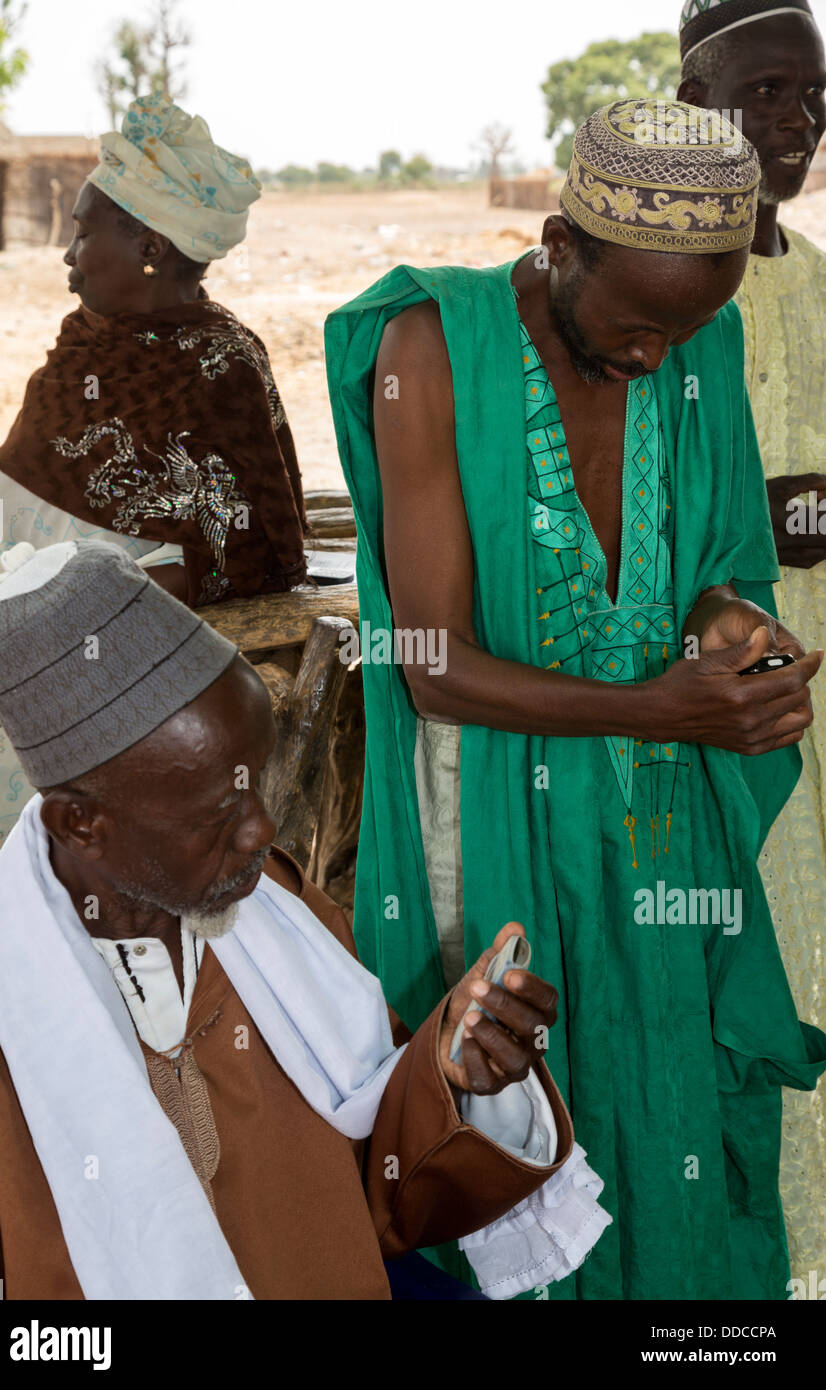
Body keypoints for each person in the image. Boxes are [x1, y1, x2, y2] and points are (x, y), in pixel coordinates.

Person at [324, 98, 826, 1299]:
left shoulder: (692, 340)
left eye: (685, 330)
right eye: (635, 323)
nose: (656, 358)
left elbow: (711, 567)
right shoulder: (430, 350)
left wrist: (734, 638)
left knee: (667, 1095)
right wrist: (671, 710)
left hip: (650, 807)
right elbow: (432, 661)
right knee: (506, 1095)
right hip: (486, 796)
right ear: (557, 241)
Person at [0, 539, 609, 1301]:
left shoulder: (278, 910)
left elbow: (373, 1194)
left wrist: (461, 1076)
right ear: (81, 825)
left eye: (256, 781)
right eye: (217, 812)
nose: (263, 830)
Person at [0, 94, 307, 875]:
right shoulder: (86, 341)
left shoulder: (220, 365)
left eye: (84, 233)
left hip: (66, 663)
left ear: (150, 247)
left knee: (36, 854)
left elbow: (253, 552)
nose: (68, 253)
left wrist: (44, 643)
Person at [678, 0, 826, 1280]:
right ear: (692, 98)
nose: (796, 122)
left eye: (812, 97)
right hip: (714, 688)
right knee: (737, 958)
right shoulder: (659, 286)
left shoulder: (817, 280)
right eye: (764, 93)